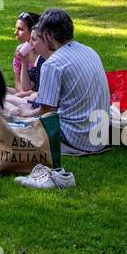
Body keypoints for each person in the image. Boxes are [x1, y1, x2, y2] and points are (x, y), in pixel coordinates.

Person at [12, 8, 110, 156]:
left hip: (76, 138)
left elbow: (46, 112)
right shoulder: (90, 51)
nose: (32, 45)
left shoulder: (53, 64)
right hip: (99, 137)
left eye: (38, 38)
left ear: (48, 36)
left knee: (13, 123)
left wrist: (27, 113)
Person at [3, 23, 50, 116]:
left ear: (45, 40)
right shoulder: (40, 59)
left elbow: (45, 100)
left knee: (0, 100)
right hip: (34, 100)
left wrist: (28, 109)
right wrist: (24, 62)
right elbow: (26, 87)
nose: (30, 43)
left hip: (39, 105)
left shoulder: (49, 62)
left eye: (34, 39)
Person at [9, 12, 40, 95]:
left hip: (36, 95)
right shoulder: (20, 51)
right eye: (16, 29)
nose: (15, 33)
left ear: (33, 31)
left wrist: (19, 97)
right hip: (22, 92)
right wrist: (21, 96)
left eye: (20, 29)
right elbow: (17, 82)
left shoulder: (43, 54)